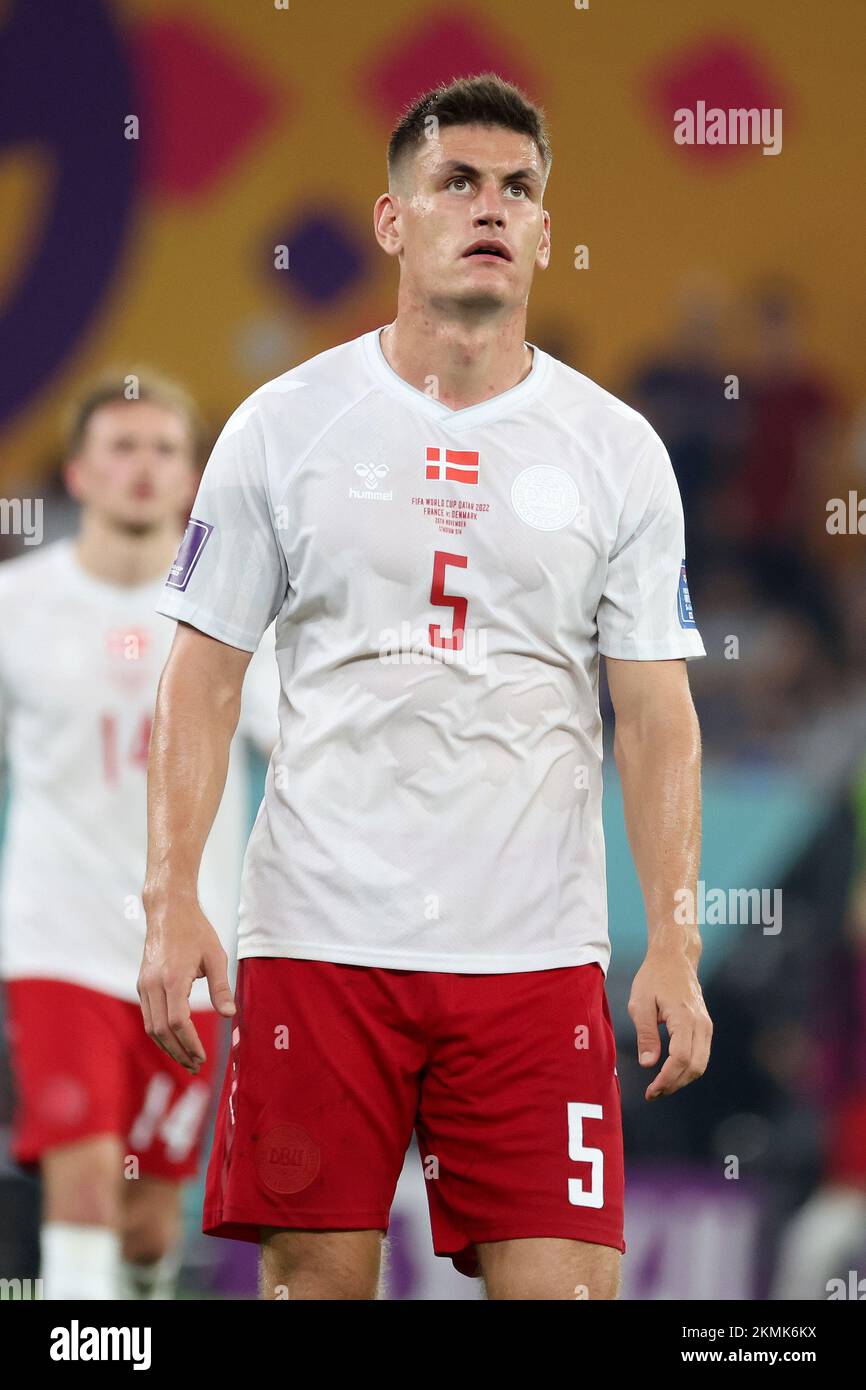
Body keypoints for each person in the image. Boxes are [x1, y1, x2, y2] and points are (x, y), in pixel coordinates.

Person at [141, 73, 713, 1301]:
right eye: (457, 182)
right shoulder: (281, 429)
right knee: (315, 1285)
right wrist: (170, 897)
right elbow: (202, 675)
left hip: (534, 955)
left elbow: (656, 712)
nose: (489, 207)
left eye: (517, 188)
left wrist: (673, 931)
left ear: (545, 231)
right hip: (317, 939)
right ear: (394, 220)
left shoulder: (616, 452)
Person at [0, 370, 278, 1299]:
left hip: (185, 954)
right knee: (81, 1177)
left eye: (164, 448)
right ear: (77, 475)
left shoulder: (241, 615)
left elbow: (304, 755)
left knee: (148, 1225)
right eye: (122, 447)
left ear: (193, 475)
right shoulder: (16, 606)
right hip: (54, 942)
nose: (144, 468)